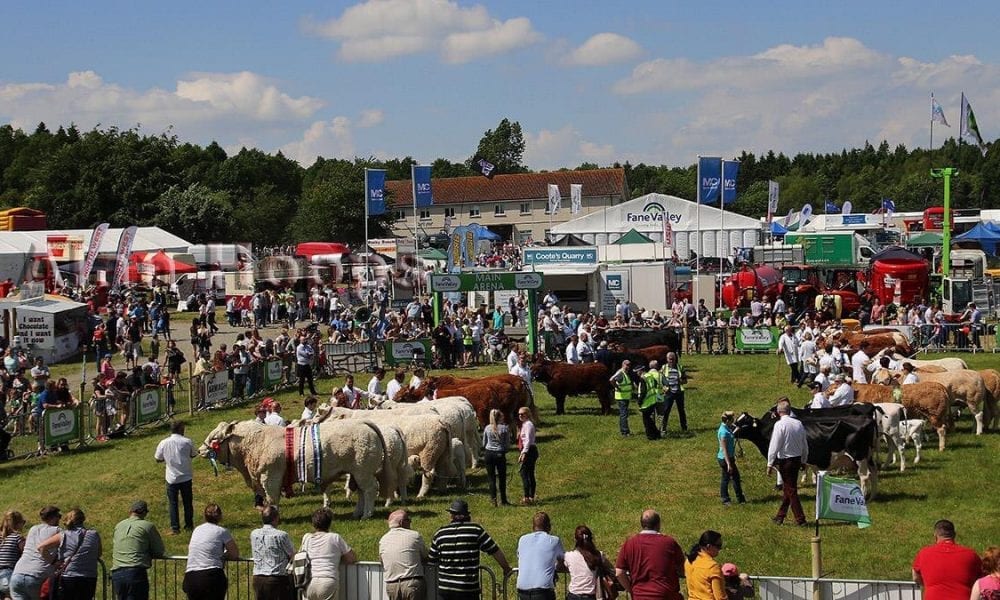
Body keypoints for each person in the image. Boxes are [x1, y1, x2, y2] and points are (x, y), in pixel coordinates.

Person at [428, 499, 511, 600]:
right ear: (467, 515)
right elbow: (494, 550)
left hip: (445, 590)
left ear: (452, 515)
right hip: (467, 589)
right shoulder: (475, 530)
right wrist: (506, 568)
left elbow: (431, 560)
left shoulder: (440, 533)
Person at [615, 509, 685, 600]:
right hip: (665, 595)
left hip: (639, 596)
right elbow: (683, 568)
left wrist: (631, 590)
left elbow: (619, 572)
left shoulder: (629, 543)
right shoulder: (669, 542)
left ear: (642, 524)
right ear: (658, 524)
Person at [912, 519, 982, 600]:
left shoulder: (923, 553)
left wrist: (928, 585)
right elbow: (981, 579)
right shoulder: (971, 554)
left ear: (935, 535)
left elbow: (915, 577)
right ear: (954, 535)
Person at [110, 500, 166, 600]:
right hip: (135, 572)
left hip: (117, 573)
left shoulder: (118, 525)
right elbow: (159, 551)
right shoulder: (147, 526)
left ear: (130, 511)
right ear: (144, 512)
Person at [766, 400, 809, 526]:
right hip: (796, 459)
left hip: (786, 461)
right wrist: (804, 460)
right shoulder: (798, 423)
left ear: (779, 412)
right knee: (788, 488)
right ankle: (780, 516)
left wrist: (770, 463)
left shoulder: (779, 425)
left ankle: (801, 519)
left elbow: (774, 445)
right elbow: (804, 444)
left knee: (791, 490)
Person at [183, 503, 239, 600]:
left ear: (205, 516)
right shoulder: (222, 531)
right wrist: (224, 556)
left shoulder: (197, 530)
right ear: (220, 517)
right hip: (211, 577)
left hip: (191, 577)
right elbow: (235, 554)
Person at [300, 508, 357, 600]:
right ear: (329, 523)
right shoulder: (335, 537)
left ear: (313, 523)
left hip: (309, 581)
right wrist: (338, 557)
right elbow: (352, 558)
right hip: (327, 580)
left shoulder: (306, 538)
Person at [154, 420, 197, 535]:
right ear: (180, 429)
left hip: (171, 478)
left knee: (173, 503)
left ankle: (175, 528)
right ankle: (189, 525)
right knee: (188, 502)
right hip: (186, 477)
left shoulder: (163, 443)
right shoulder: (187, 442)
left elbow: (158, 458)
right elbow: (193, 454)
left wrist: (167, 459)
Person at [9, 506, 61, 600]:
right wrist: (54, 562)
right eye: (59, 516)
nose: (60, 518)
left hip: (17, 575)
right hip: (37, 576)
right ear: (53, 517)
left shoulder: (33, 529)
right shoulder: (58, 531)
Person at [378, 510, 428, 600]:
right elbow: (425, 556)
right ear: (401, 522)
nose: (410, 522)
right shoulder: (414, 535)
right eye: (408, 520)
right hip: (412, 583)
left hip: (392, 585)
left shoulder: (383, 539)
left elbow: (382, 561)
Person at [516, 512, 565, 600]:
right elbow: (562, 561)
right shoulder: (554, 540)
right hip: (542, 590)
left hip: (522, 589)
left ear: (533, 526)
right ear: (549, 526)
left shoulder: (522, 539)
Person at [250, 506, 295, 600]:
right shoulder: (281, 535)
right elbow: (292, 554)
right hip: (276, 578)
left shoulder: (254, 534)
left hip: (258, 578)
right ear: (276, 518)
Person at [56, 509, 102, 600]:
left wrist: (54, 561)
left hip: (69, 575)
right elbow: (99, 553)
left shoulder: (64, 534)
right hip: (89, 576)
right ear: (83, 519)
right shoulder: (94, 534)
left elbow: (42, 547)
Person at [564, 525, 614, 600]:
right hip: (590, 596)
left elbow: (560, 565)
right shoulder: (598, 555)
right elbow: (612, 569)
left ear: (575, 539)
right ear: (591, 538)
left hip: (573, 595)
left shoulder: (569, 556)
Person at [685, 530, 726, 600]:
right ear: (708, 546)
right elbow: (720, 597)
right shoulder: (713, 567)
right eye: (718, 546)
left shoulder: (689, 561)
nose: (720, 549)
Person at [482, 409, 511, 507]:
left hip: (489, 453)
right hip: (499, 453)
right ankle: (503, 500)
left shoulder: (487, 428)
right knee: (502, 478)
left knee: (491, 478)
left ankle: (493, 500)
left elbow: (484, 443)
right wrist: (504, 450)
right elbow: (507, 444)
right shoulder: (504, 428)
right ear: (499, 417)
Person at [717, 412, 746, 506]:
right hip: (725, 459)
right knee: (728, 478)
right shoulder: (723, 432)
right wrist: (729, 464)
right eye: (732, 420)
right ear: (728, 421)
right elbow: (724, 449)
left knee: (732, 478)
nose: (733, 422)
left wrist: (735, 431)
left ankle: (737, 498)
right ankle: (727, 499)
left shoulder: (726, 428)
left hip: (729, 458)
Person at [0, 511, 26, 600]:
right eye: (23, 522)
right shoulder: (17, 537)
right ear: (17, 524)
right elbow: (27, 554)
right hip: (8, 574)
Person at [661, 352, 688, 436]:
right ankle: (663, 429)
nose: (671, 361)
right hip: (669, 393)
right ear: (667, 359)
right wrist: (663, 388)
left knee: (681, 411)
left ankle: (684, 428)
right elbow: (660, 380)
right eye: (670, 359)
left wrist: (681, 381)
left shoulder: (680, 367)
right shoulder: (663, 368)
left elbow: (685, 380)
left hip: (679, 392)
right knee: (666, 411)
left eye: (673, 359)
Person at [518, 407, 539, 505]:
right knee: (529, 473)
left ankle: (527, 497)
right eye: (519, 414)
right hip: (528, 450)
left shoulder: (528, 425)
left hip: (529, 450)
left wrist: (524, 453)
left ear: (527, 414)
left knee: (524, 473)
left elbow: (528, 441)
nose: (520, 416)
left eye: (523, 414)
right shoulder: (525, 424)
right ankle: (531, 496)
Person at [639, 361, 664, 440]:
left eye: (637, 372)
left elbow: (643, 391)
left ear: (640, 371)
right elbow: (656, 384)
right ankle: (657, 433)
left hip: (646, 402)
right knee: (650, 419)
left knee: (647, 421)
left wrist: (640, 401)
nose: (637, 374)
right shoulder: (650, 376)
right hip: (653, 399)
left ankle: (651, 435)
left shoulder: (643, 378)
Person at [610, 360, 634, 437]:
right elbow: (611, 380)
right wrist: (616, 387)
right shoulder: (620, 373)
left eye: (629, 365)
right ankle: (625, 432)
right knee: (623, 415)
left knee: (624, 414)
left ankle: (624, 430)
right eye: (626, 365)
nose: (627, 367)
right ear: (622, 365)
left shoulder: (625, 373)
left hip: (625, 396)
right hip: (621, 397)